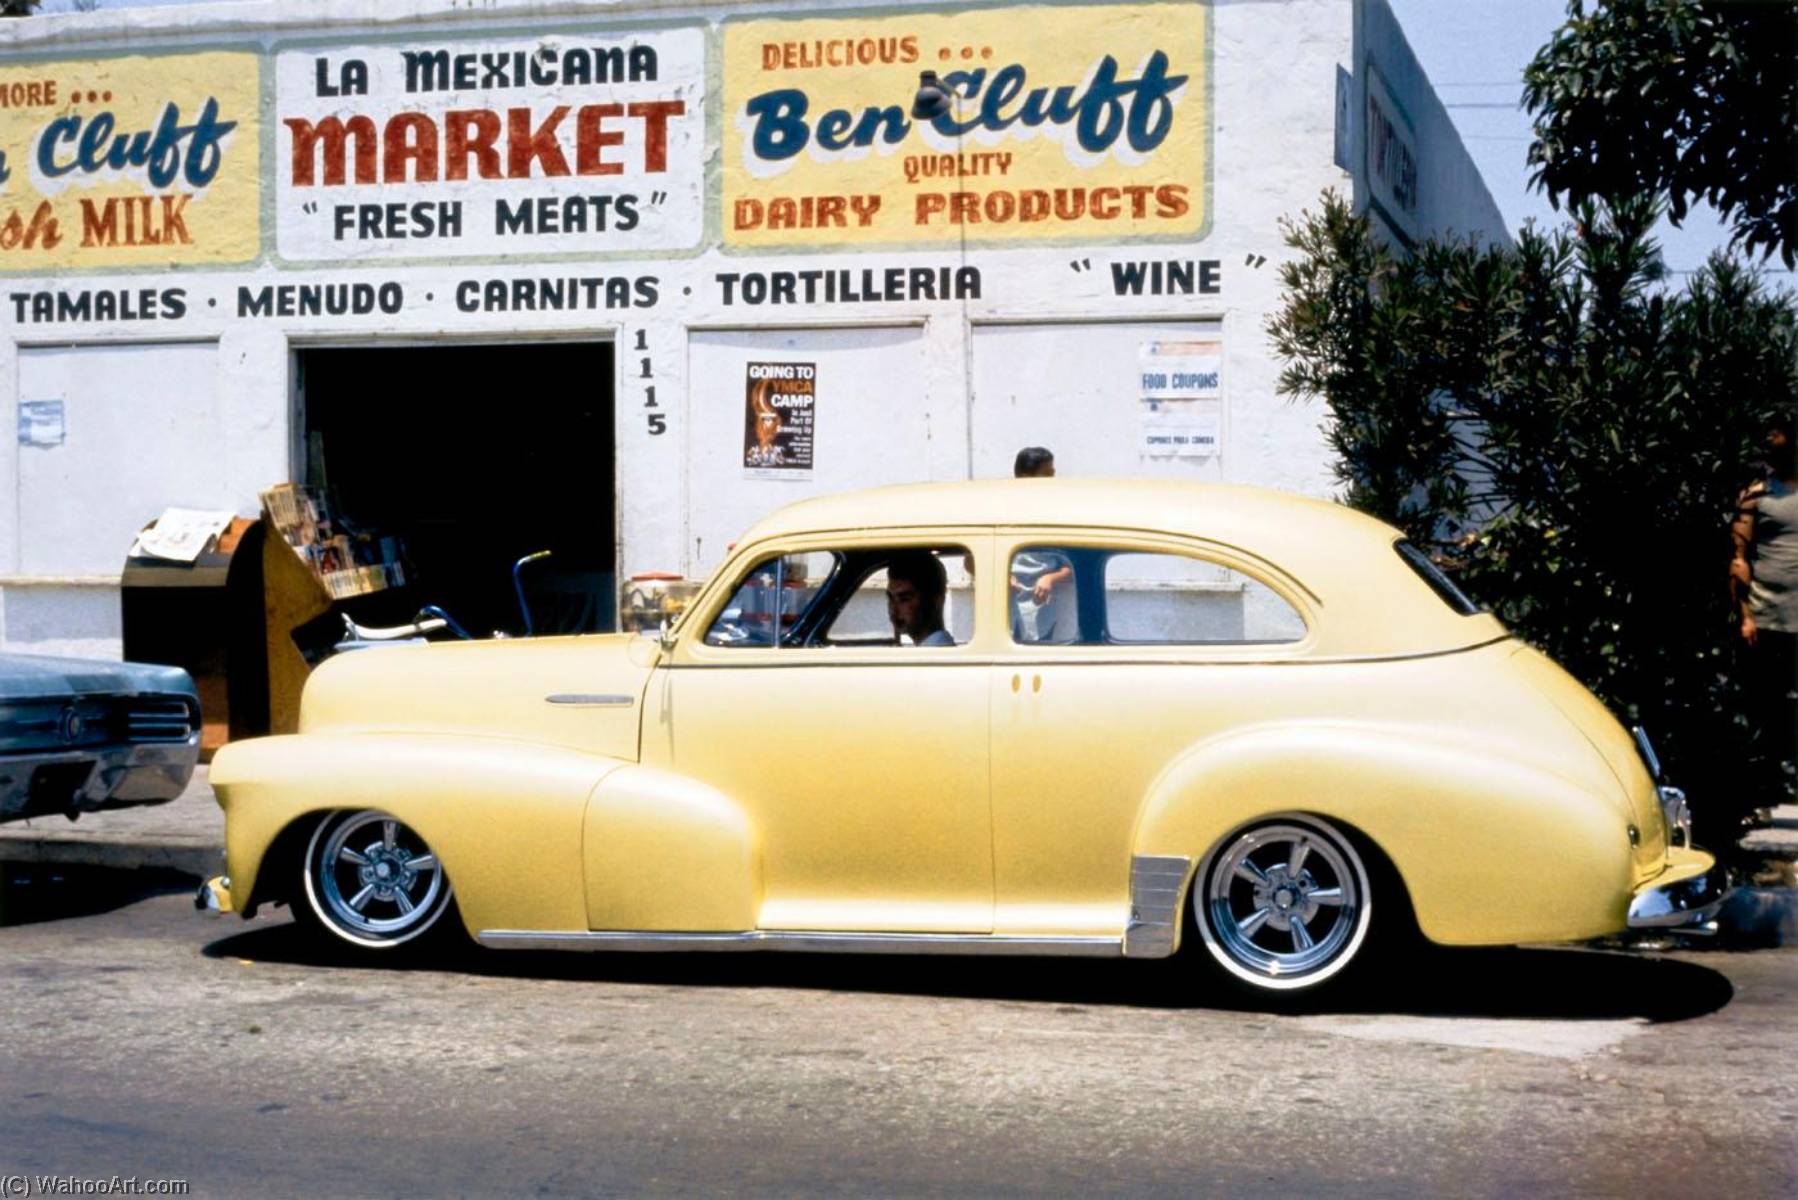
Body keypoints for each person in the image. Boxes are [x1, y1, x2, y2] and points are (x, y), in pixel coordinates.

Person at [1731, 410, 1798, 805]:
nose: (1771, 439)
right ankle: (1765, 790)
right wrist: (1746, 616)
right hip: (1769, 617)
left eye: (1779, 433)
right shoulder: (1756, 494)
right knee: (1767, 708)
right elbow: (1738, 558)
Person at [1011, 446, 1076, 642]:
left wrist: (1051, 578)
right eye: (1046, 474)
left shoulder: (1057, 515)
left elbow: (1074, 566)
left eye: (1052, 474)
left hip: (1042, 614)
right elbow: (971, 563)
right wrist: (1002, 575)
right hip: (1003, 612)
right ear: (1024, 478)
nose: (1051, 481)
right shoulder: (1002, 510)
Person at [886, 551, 955, 647]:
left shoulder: (937, 655)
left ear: (936, 600)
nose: (893, 610)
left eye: (904, 599)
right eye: (890, 598)